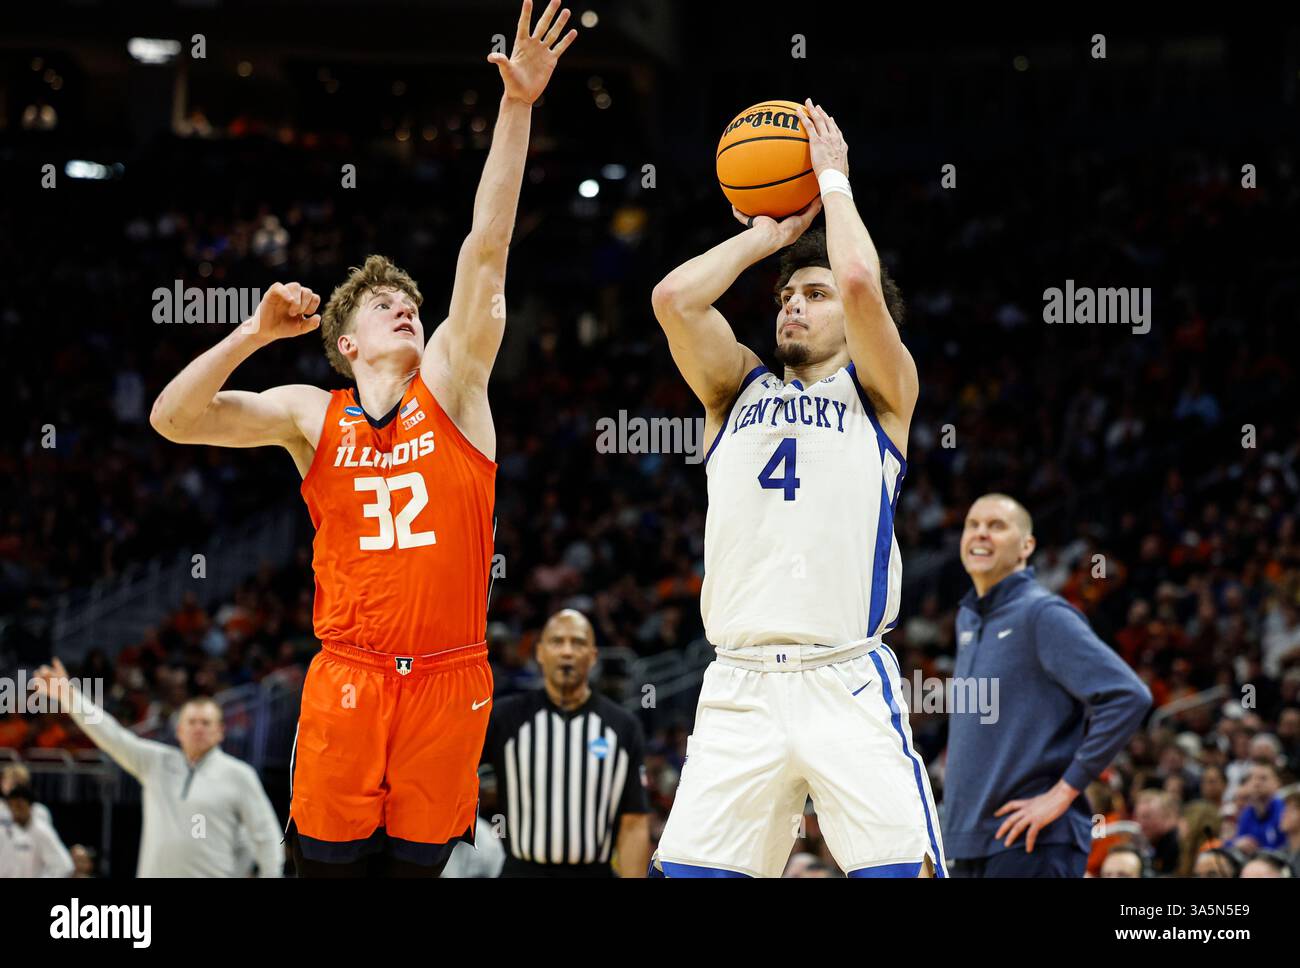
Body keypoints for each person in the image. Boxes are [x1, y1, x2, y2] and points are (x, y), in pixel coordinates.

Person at [145, 0, 577, 877]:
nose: (406, 306)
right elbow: (173, 418)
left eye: (408, 301)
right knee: (329, 868)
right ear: (347, 344)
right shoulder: (314, 412)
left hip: (451, 676)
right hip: (348, 674)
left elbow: (486, 247)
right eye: (386, 305)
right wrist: (253, 337)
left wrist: (518, 105)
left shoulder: (455, 387)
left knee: (421, 870)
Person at [649, 101, 944, 878]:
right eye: (786, 295)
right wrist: (763, 237)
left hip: (844, 675)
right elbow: (674, 300)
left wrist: (833, 181)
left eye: (810, 296)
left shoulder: (881, 392)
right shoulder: (732, 389)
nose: (792, 303)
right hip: (738, 683)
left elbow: (856, 276)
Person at [944, 494, 1152, 877]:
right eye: (973, 525)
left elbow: (1128, 695)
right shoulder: (968, 620)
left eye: (997, 526)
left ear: (1027, 546)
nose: (981, 534)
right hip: (967, 841)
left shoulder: (1043, 613)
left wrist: (1062, 793)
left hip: (1032, 840)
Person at [29, 667, 283, 878]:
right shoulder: (156, 763)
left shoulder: (239, 775)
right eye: (191, 722)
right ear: (179, 731)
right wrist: (70, 696)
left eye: (206, 723)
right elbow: (111, 734)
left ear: (220, 731)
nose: (198, 728)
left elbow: (268, 837)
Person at [482, 610, 650, 877]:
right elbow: (458, 774)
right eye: (557, 642)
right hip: (522, 870)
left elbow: (634, 822)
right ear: (540, 653)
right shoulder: (505, 717)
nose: (567, 652)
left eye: (578, 642)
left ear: (593, 656)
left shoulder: (622, 726)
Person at [0, 785, 73, 877]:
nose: (15, 811)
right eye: (11, 807)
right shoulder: (3, 831)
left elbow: (64, 866)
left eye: (19, 806)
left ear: (30, 806)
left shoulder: (42, 831)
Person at [1233, 761, 1286, 852]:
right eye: (1252, 778)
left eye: (1263, 778)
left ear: (1277, 783)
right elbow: (1237, 841)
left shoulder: (1284, 811)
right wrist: (1237, 844)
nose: (1256, 783)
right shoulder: (1247, 814)